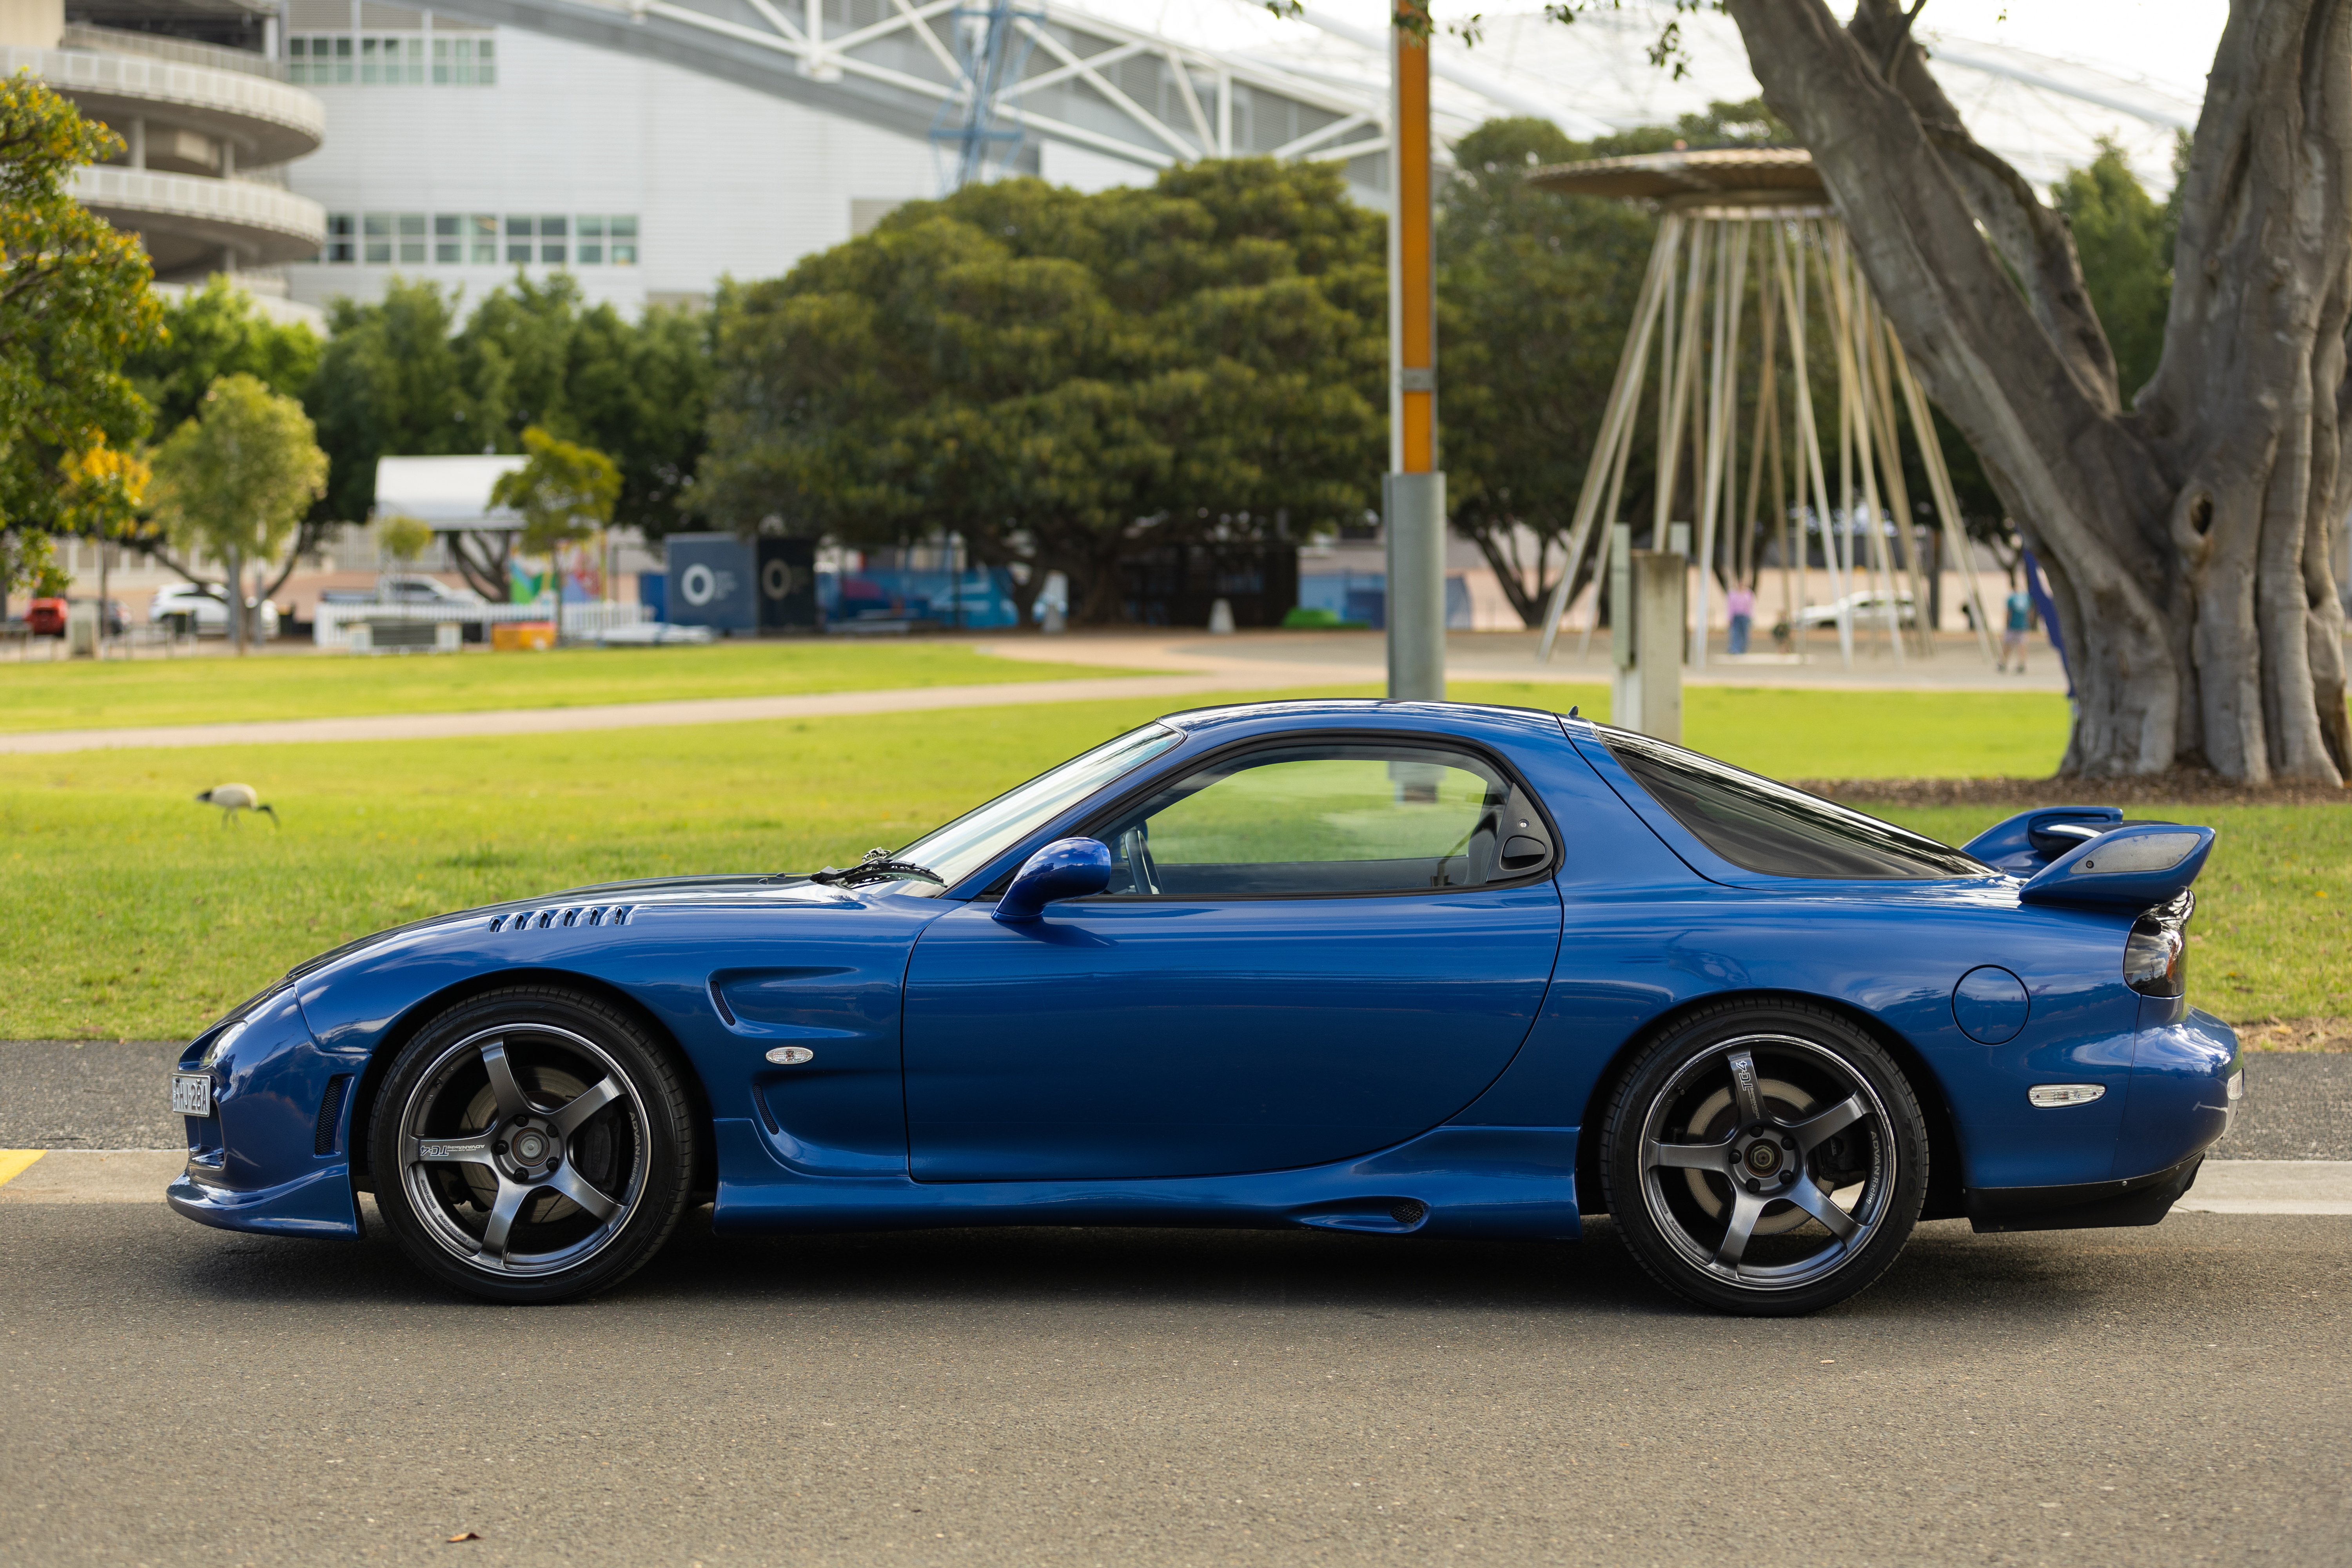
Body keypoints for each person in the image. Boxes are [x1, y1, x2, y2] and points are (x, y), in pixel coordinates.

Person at [2001, 584, 2033, 672]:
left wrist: (2006, 624)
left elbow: (2008, 613)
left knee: (2008, 645)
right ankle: (2022, 664)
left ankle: (2003, 662)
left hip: (2013, 626)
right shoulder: (2027, 599)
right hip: (2023, 626)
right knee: (2022, 646)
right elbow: (2030, 612)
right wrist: (2029, 623)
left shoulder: (2011, 599)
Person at [1725, 581, 1755, 655]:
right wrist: (1729, 617)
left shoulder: (1749, 594)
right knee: (1735, 633)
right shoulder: (1732, 594)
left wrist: (1752, 617)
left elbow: (1752, 606)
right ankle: (1735, 649)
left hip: (1745, 616)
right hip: (1736, 616)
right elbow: (1730, 607)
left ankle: (1743, 649)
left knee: (1745, 633)